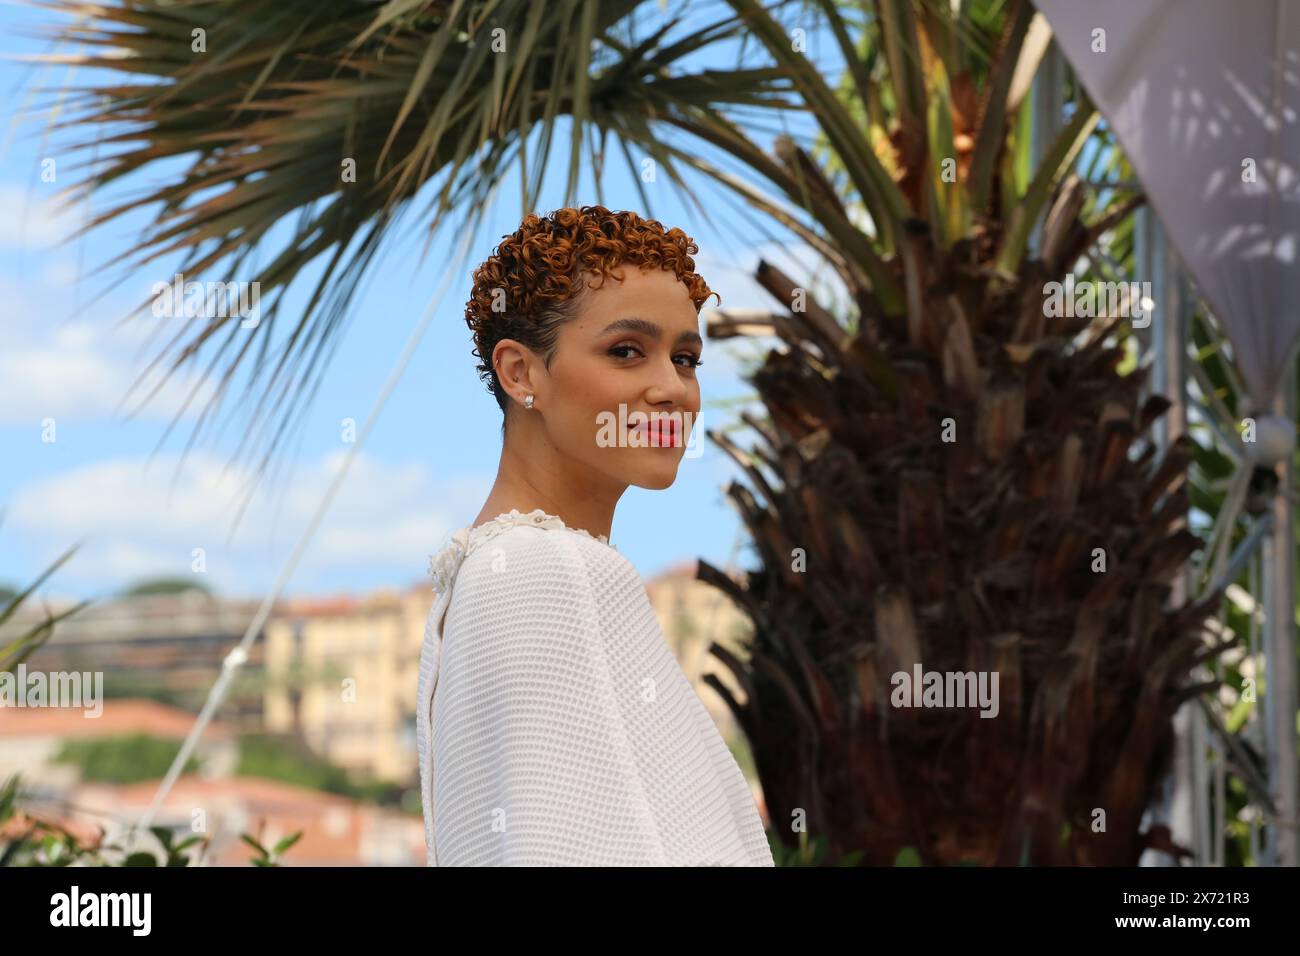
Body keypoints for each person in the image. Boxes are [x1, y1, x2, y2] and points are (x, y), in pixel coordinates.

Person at [416, 205, 775, 866]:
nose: (673, 390)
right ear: (521, 373)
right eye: (626, 351)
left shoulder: (477, 580)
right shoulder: (556, 573)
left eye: (687, 358)